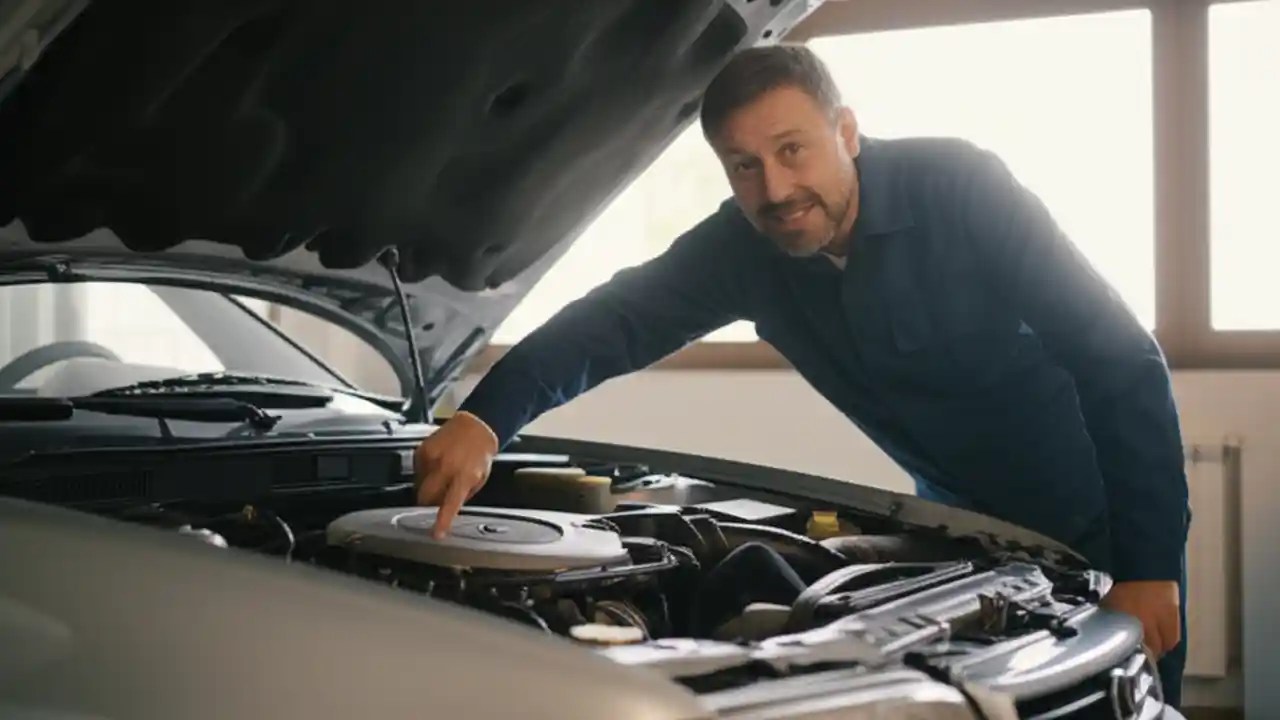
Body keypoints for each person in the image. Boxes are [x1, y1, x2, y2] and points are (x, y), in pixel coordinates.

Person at [412, 45, 1190, 706]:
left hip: (1102, 525)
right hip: (962, 535)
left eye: (793, 150)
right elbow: (613, 322)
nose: (775, 190)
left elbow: (1116, 358)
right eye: (744, 167)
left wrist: (1149, 567)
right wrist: (484, 420)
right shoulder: (740, 250)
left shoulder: (962, 189)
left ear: (845, 132)